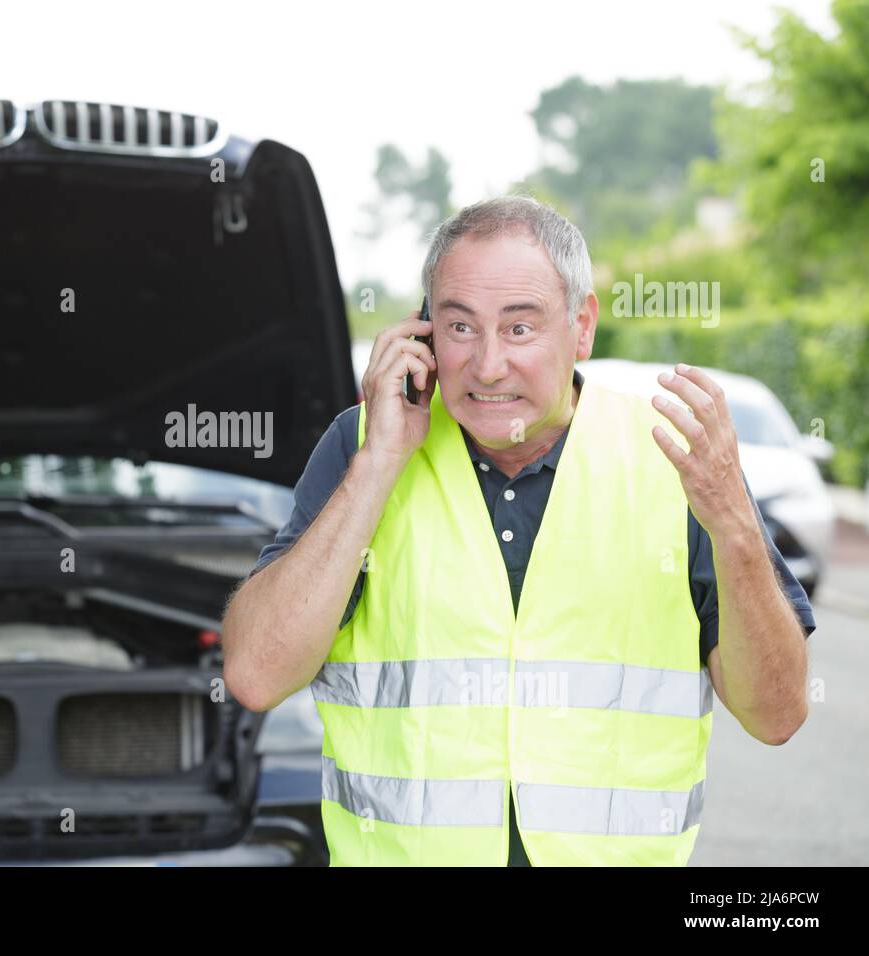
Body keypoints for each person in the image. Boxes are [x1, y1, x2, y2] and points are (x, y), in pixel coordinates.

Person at [219, 195, 815, 866]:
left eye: (521, 328)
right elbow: (257, 675)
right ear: (423, 335)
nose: (489, 365)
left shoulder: (672, 459)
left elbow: (777, 714)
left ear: (581, 326)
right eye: (461, 327)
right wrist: (380, 461)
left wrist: (734, 526)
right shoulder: (361, 448)